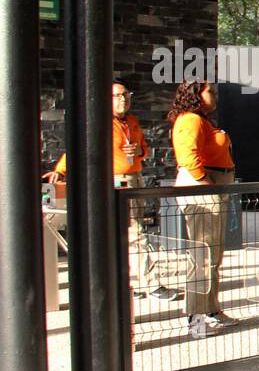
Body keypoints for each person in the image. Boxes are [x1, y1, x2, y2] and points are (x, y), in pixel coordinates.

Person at [43, 82, 179, 302]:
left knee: (129, 234)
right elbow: (78, 148)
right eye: (117, 95)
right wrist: (60, 170)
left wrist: (139, 150)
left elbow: (143, 148)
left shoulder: (132, 122)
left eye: (126, 94)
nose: (123, 99)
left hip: (134, 180)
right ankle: (150, 283)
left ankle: (127, 284)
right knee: (134, 233)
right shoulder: (99, 122)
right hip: (114, 182)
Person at [170, 80, 237, 336]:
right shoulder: (190, 120)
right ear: (195, 94)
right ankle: (196, 317)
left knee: (212, 253)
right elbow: (187, 155)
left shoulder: (201, 121)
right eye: (210, 91)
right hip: (203, 186)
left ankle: (210, 309)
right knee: (203, 254)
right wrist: (205, 183)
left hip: (211, 184)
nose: (215, 95)